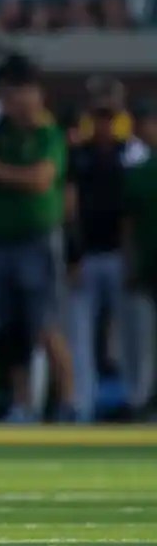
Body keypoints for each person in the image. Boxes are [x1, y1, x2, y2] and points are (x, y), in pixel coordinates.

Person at [0, 61, 76, 422]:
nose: (13, 101)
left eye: (18, 93)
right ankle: (22, 402)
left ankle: (68, 402)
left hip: (36, 241)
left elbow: (41, 179)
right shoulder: (0, 131)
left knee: (46, 323)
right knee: (9, 326)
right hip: (1, 242)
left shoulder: (48, 134)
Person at [65, 84, 131, 423]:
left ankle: (134, 400)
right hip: (88, 254)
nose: (104, 124)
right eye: (99, 116)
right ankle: (83, 403)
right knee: (80, 334)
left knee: (127, 333)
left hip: (121, 254)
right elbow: (70, 207)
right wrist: (73, 254)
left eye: (110, 117)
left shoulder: (129, 154)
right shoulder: (80, 155)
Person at [122, 100, 157, 418]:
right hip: (150, 264)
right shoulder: (142, 169)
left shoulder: (143, 170)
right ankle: (146, 397)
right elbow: (129, 224)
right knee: (144, 337)